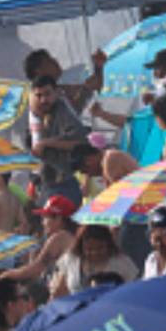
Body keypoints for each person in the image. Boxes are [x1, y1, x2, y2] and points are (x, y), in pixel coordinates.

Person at [29, 75, 90, 203]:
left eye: (47, 94)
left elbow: (79, 141)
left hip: (64, 183)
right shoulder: (40, 114)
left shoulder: (62, 110)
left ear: (56, 92)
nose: (43, 99)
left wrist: (45, 143)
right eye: (39, 95)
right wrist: (34, 180)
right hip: (46, 182)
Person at [51, 222, 138, 297]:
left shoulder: (123, 263)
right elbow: (59, 292)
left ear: (108, 245)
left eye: (100, 248)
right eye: (89, 249)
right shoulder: (71, 259)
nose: (94, 253)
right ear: (81, 247)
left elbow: (133, 292)